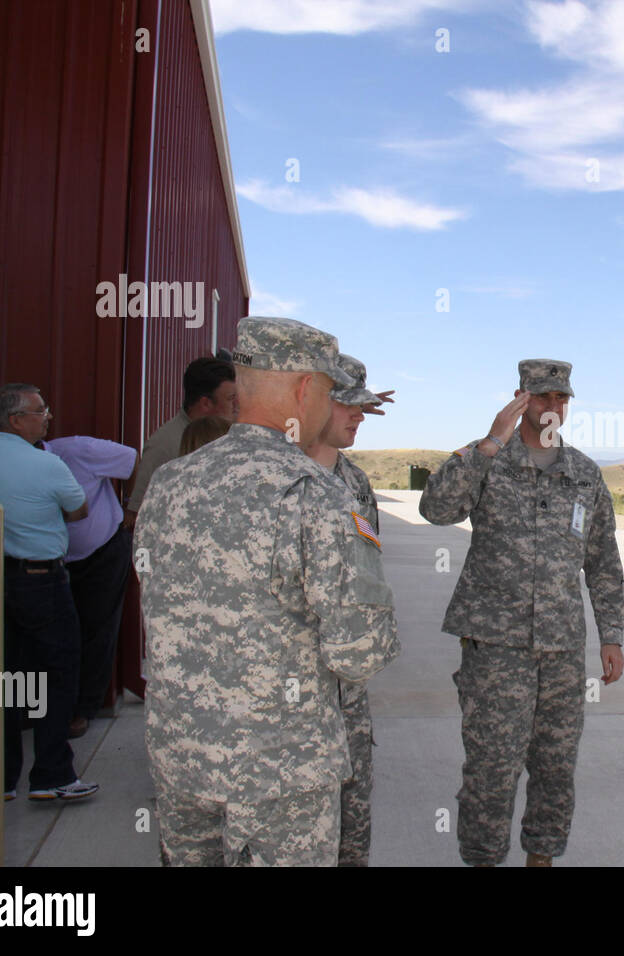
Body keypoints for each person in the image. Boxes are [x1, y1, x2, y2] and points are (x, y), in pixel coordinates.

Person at [134, 318, 400, 866]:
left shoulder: (170, 483)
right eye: (329, 392)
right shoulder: (317, 495)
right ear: (305, 389)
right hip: (280, 771)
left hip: (183, 761)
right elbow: (361, 650)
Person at [419, 360, 624, 867]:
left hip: (561, 649)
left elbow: (602, 560)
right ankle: (484, 859)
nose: (553, 406)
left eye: (562, 399)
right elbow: (436, 509)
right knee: (492, 768)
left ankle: (542, 859)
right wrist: (489, 443)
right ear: (519, 397)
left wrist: (612, 635)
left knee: (555, 767)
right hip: (496, 647)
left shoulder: (584, 475)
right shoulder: (488, 459)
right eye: (543, 396)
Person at [0, 384, 99, 801]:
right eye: (41, 411)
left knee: (5, 678)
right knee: (58, 676)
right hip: (42, 580)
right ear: (17, 419)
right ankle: (52, 775)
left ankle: (1, 780)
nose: (48, 417)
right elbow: (78, 511)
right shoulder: (47, 463)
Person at [301, 353, 393, 867]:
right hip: (291, 699)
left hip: (348, 696)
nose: (359, 416)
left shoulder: (356, 483)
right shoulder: (278, 481)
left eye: (364, 407)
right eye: (348, 406)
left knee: (352, 830)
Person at [40, 434, 138, 738]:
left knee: (98, 630)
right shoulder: (25, 467)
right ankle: (43, 707)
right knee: (54, 633)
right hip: (56, 560)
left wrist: (131, 508)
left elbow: (133, 460)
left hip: (103, 551)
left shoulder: (79, 450)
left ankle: (84, 709)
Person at [123, 356, 237, 528]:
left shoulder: (231, 436)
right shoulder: (164, 445)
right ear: (205, 404)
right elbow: (137, 515)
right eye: (230, 399)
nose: (237, 406)